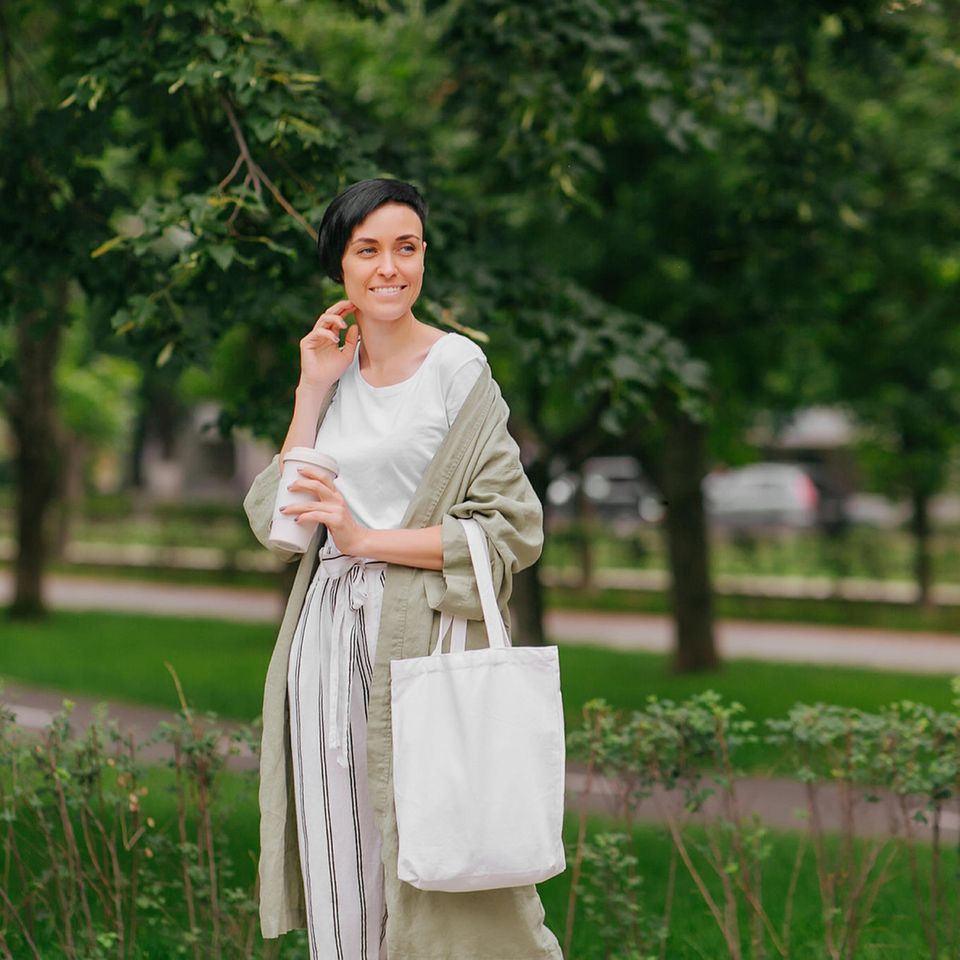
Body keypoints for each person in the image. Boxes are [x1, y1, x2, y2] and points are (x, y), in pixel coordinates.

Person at [243, 178, 563, 960]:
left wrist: (365, 537)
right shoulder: (333, 373)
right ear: (340, 265)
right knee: (338, 862)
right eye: (368, 250)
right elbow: (283, 528)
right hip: (323, 640)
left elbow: (513, 529)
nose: (390, 267)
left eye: (407, 247)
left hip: (422, 635)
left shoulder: (457, 366)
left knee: (429, 859)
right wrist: (311, 388)